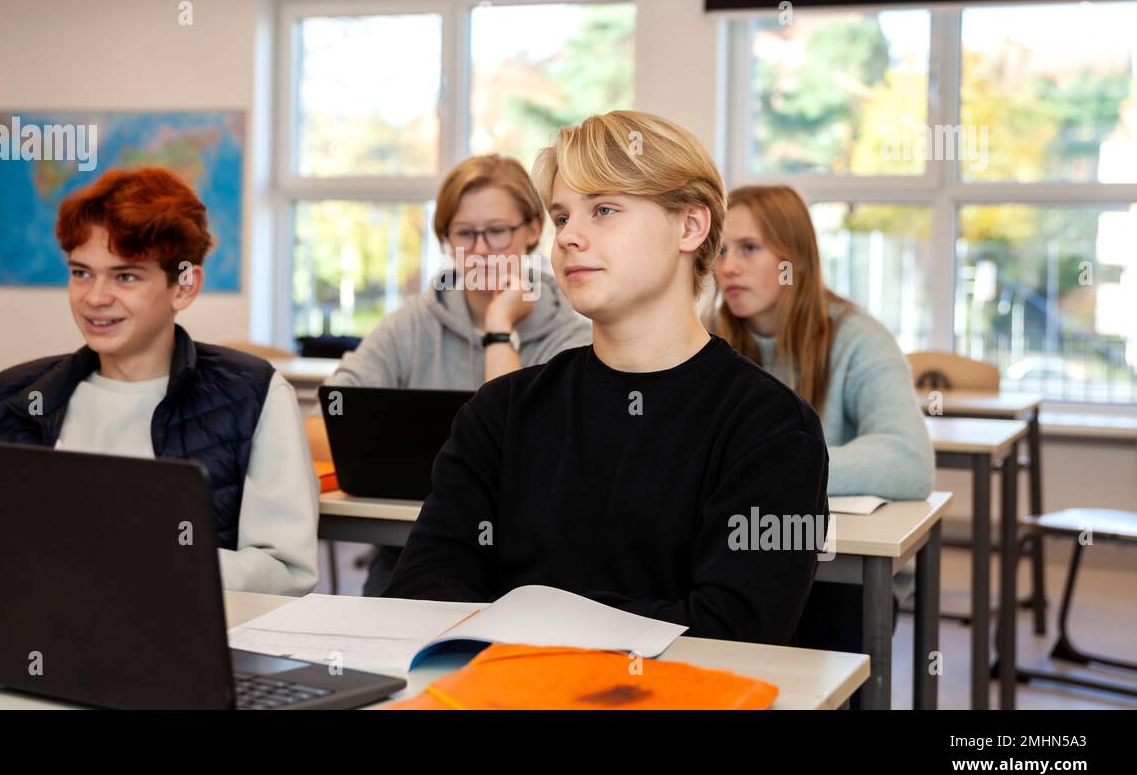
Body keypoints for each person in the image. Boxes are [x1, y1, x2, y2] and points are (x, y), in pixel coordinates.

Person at [384, 111, 828, 644]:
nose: (570, 237)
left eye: (604, 210)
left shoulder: (770, 428)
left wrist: (518, 613)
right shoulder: (500, 411)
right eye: (562, 216)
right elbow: (421, 593)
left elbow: (733, 634)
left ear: (690, 226)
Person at [0, 167, 318, 596]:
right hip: (23, 639)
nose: (94, 297)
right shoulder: (11, 397)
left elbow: (284, 571)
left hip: (179, 645)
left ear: (183, 287)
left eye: (125, 276)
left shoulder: (254, 395)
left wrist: (137, 565)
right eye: (81, 273)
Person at [307, 153, 591, 596]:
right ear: (445, 238)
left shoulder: (574, 336)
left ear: (534, 229)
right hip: (414, 552)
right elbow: (326, 420)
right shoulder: (414, 323)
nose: (479, 250)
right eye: (463, 234)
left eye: (497, 231)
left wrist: (499, 327)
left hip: (531, 570)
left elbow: (520, 458)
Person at [712, 183, 934, 660]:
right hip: (735, 557)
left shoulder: (857, 338)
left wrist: (767, 473)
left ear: (796, 258)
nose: (728, 266)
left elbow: (909, 461)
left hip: (837, 573)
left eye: (749, 248)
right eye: (721, 249)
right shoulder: (708, 338)